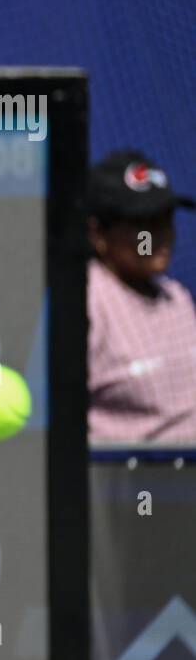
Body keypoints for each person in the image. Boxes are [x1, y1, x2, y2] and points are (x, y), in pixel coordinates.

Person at [86, 150, 196, 442]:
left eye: (166, 219)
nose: (160, 235)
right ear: (97, 234)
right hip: (125, 484)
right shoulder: (84, 303)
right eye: (144, 223)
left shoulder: (177, 297)